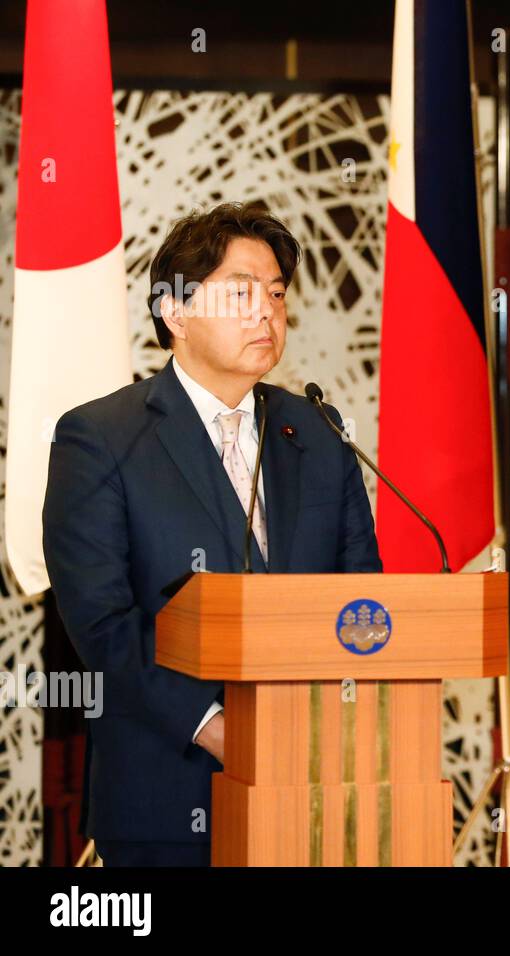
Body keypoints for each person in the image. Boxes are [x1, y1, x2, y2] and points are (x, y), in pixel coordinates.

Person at [43, 202, 382, 866]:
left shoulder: (316, 428)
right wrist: (215, 727)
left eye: (278, 294)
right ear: (175, 312)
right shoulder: (102, 438)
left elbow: (358, 593)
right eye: (241, 292)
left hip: (315, 789)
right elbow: (103, 622)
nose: (267, 312)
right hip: (167, 799)